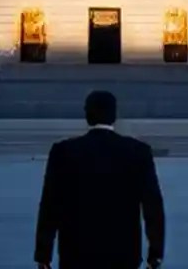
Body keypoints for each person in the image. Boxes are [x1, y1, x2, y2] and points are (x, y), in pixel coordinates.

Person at [34, 90, 165, 269]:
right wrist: (155, 254)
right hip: (123, 253)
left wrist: (43, 255)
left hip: (76, 253)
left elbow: (49, 206)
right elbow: (153, 206)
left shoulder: (63, 152)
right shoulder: (138, 151)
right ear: (114, 115)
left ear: (87, 115)